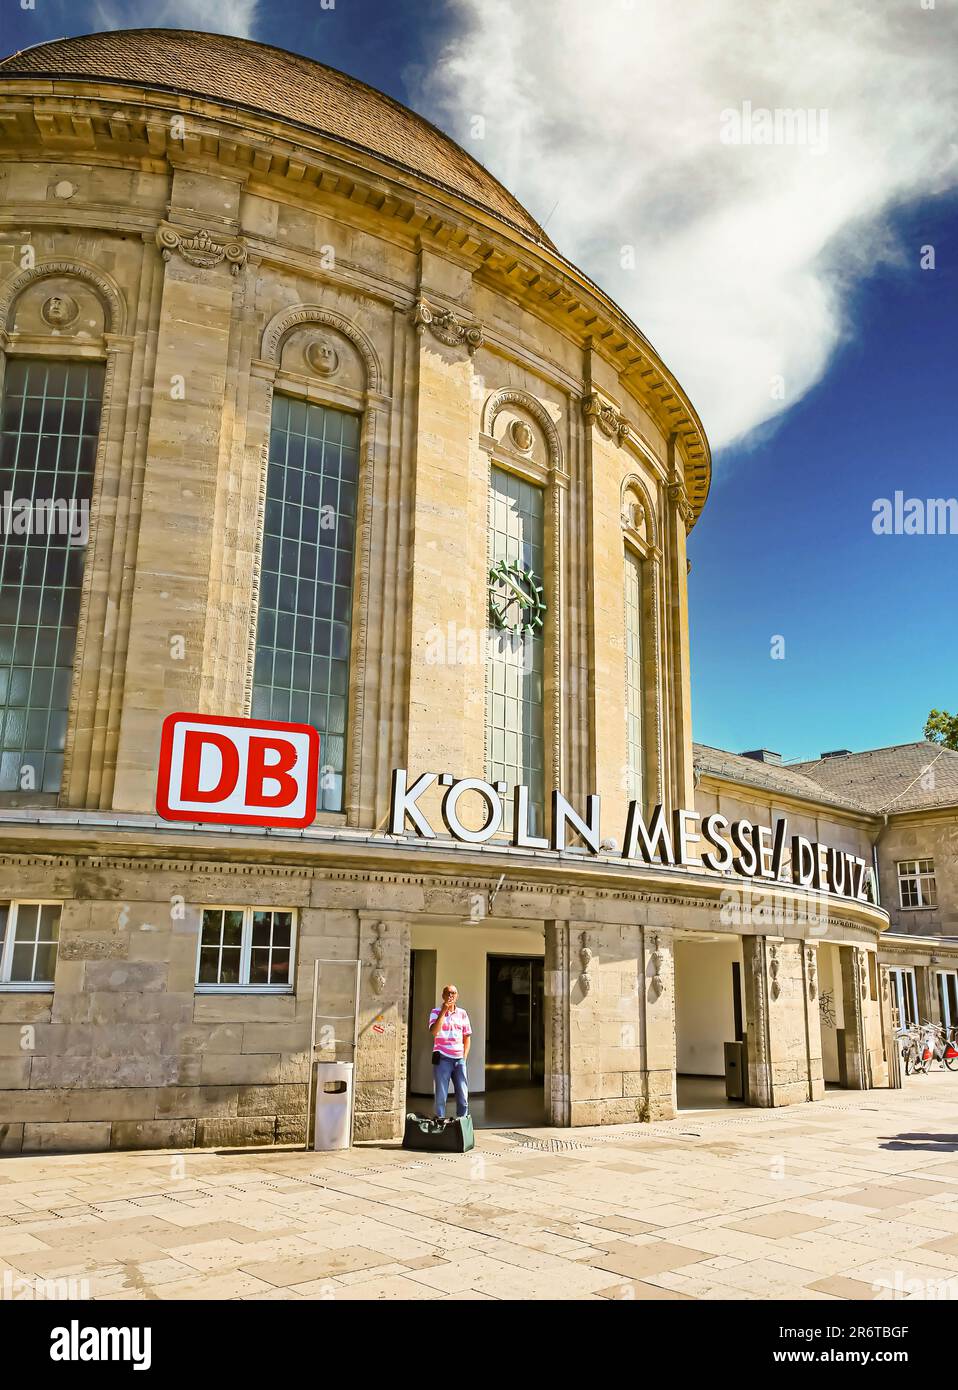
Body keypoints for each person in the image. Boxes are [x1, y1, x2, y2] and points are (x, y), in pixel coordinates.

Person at [428, 983, 471, 1119]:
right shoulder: (435, 1012)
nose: (451, 996)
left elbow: (467, 1037)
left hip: (459, 1059)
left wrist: (463, 1058)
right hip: (442, 1058)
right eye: (448, 993)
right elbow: (434, 1031)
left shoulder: (462, 1014)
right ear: (443, 996)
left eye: (453, 993)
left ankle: (462, 1125)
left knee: (463, 1097)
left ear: (457, 996)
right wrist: (443, 1012)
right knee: (441, 1097)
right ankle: (440, 1124)